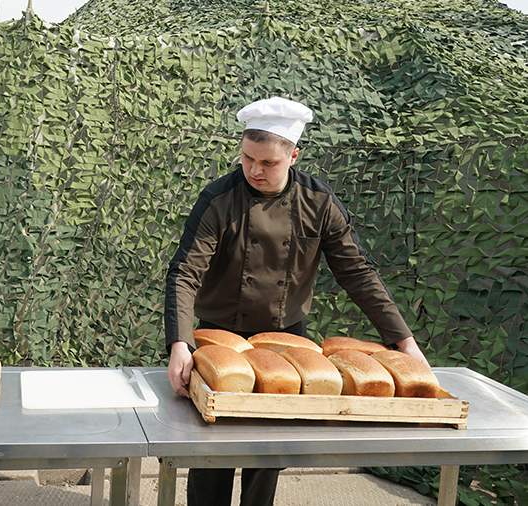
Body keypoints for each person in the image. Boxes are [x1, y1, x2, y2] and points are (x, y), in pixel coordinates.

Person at [163, 96, 429, 506]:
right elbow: (186, 272)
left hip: (286, 341)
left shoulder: (319, 204)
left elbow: (357, 273)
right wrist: (180, 342)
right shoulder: (219, 199)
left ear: (293, 155)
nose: (254, 170)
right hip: (219, 338)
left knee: (268, 454)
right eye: (248, 158)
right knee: (212, 453)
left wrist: (404, 342)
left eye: (268, 163)